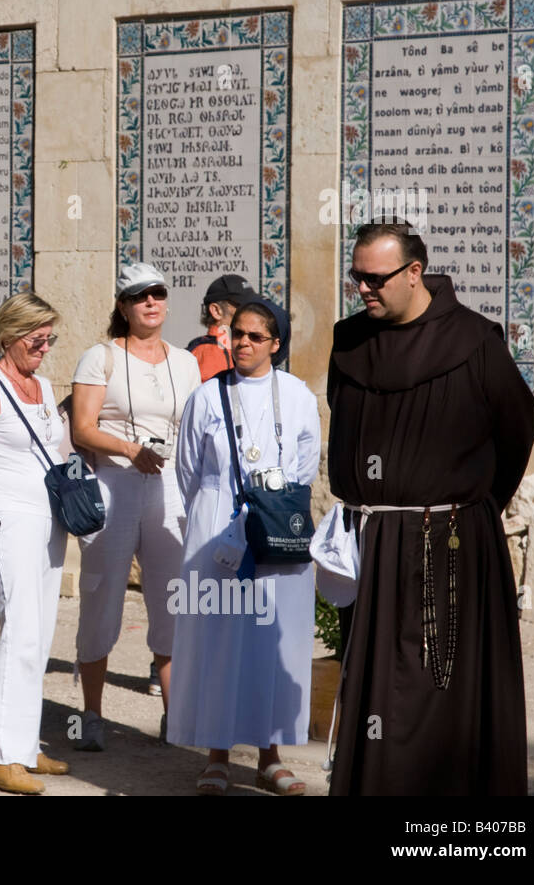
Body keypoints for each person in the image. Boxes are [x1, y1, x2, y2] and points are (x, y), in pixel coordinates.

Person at [326, 223, 534, 795]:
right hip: (374, 543)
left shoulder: (474, 341)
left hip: (451, 540)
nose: (364, 289)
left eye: (375, 279)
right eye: (357, 277)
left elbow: (518, 428)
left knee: (441, 687)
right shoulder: (349, 341)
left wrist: (472, 505)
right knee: (375, 690)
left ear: (414, 272)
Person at [168, 299, 320, 795]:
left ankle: (270, 754)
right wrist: (220, 513)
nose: (243, 343)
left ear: (276, 344)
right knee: (219, 639)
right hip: (219, 527)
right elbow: (188, 470)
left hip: (276, 526)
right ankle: (216, 753)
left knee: (271, 641)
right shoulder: (207, 397)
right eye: (237, 334)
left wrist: (268, 508)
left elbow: (305, 463)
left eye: (255, 336)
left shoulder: (297, 395)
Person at [68, 262, 200, 748]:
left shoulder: (185, 362)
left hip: (168, 488)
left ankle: (176, 715)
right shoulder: (99, 356)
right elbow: (83, 428)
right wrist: (128, 450)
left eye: (158, 293)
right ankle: (91, 716)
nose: (151, 302)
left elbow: (194, 428)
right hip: (115, 485)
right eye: (139, 295)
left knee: (172, 600)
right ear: (123, 307)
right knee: (102, 599)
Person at [0, 291, 70, 794]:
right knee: (20, 634)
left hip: (49, 521)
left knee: (41, 636)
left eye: (50, 338)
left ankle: (24, 745)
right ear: (9, 336)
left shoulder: (42, 386)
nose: (44, 346)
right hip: (8, 522)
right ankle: (0, 756)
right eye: (36, 338)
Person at [186, 274, 258, 382]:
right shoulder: (210, 353)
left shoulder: (232, 346)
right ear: (216, 311)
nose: (250, 311)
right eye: (241, 306)